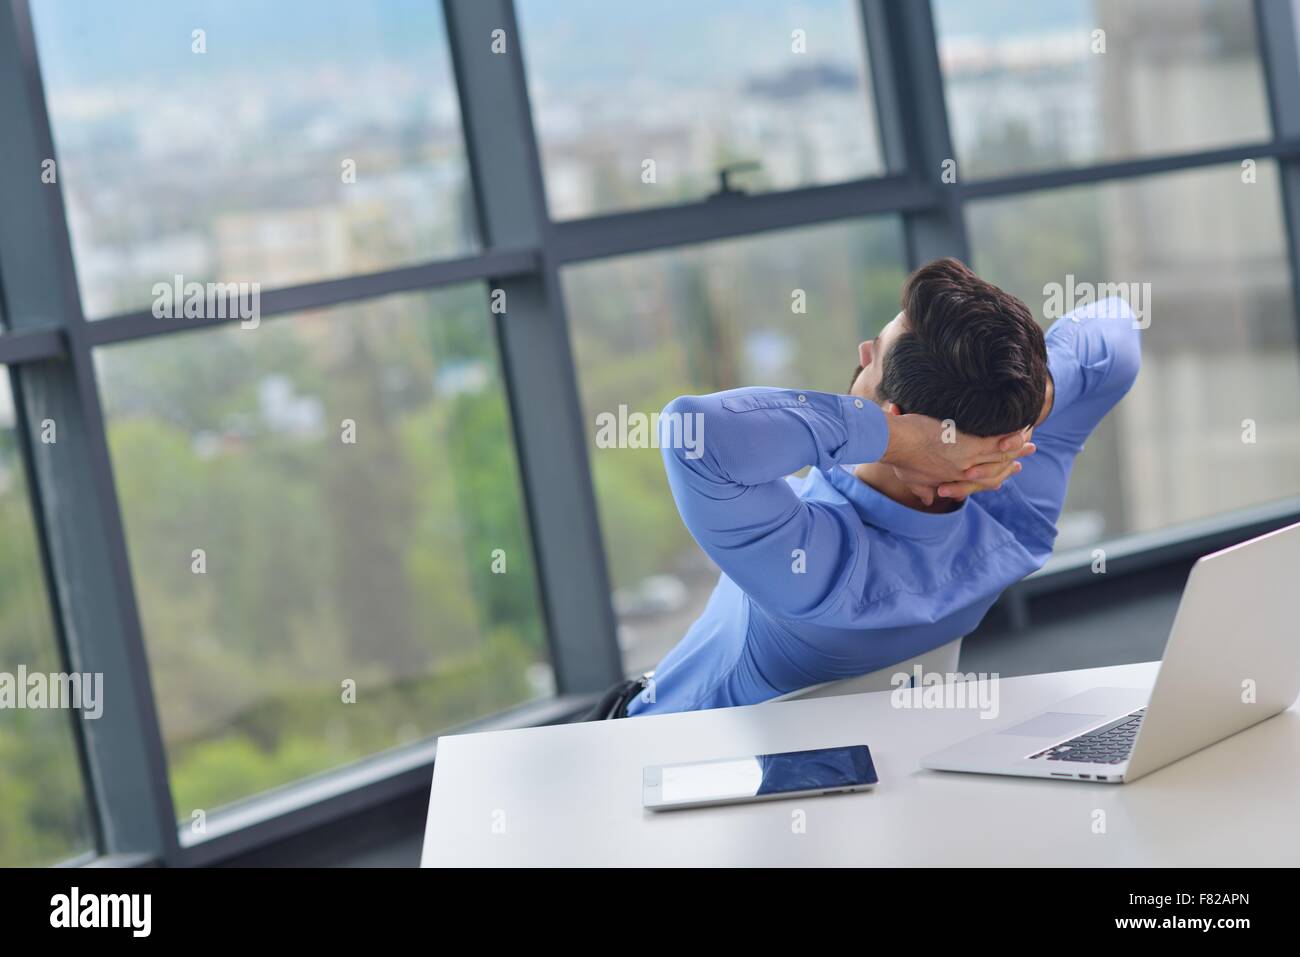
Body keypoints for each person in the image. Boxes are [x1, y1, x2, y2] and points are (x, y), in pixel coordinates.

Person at [608, 257, 1141, 718]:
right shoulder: (1014, 515)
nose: (863, 349)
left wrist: (894, 441)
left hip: (647, 748)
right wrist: (1031, 401)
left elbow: (694, 435)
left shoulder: (818, 567)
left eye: (877, 353)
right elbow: (1117, 329)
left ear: (895, 416)